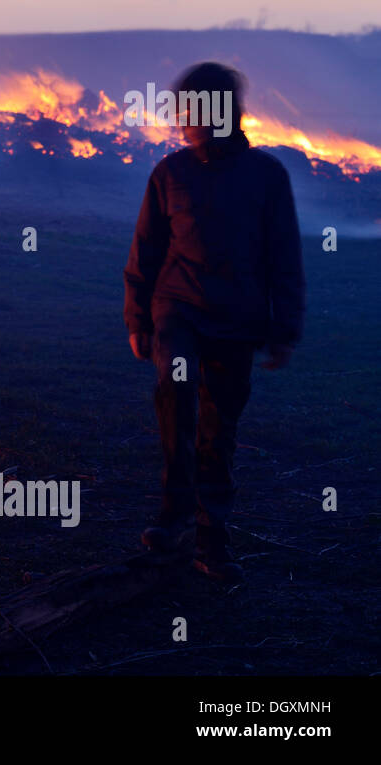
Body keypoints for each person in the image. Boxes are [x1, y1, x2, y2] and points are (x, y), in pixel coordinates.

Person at [123, 62, 305, 583]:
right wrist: (139, 317)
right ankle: (173, 515)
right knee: (176, 399)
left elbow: (283, 256)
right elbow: (147, 249)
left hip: (237, 319)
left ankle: (212, 535)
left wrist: (283, 330)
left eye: (193, 109)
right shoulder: (170, 174)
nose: (185, 120)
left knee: (218, 427)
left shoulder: (266, 177)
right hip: (177, 312)